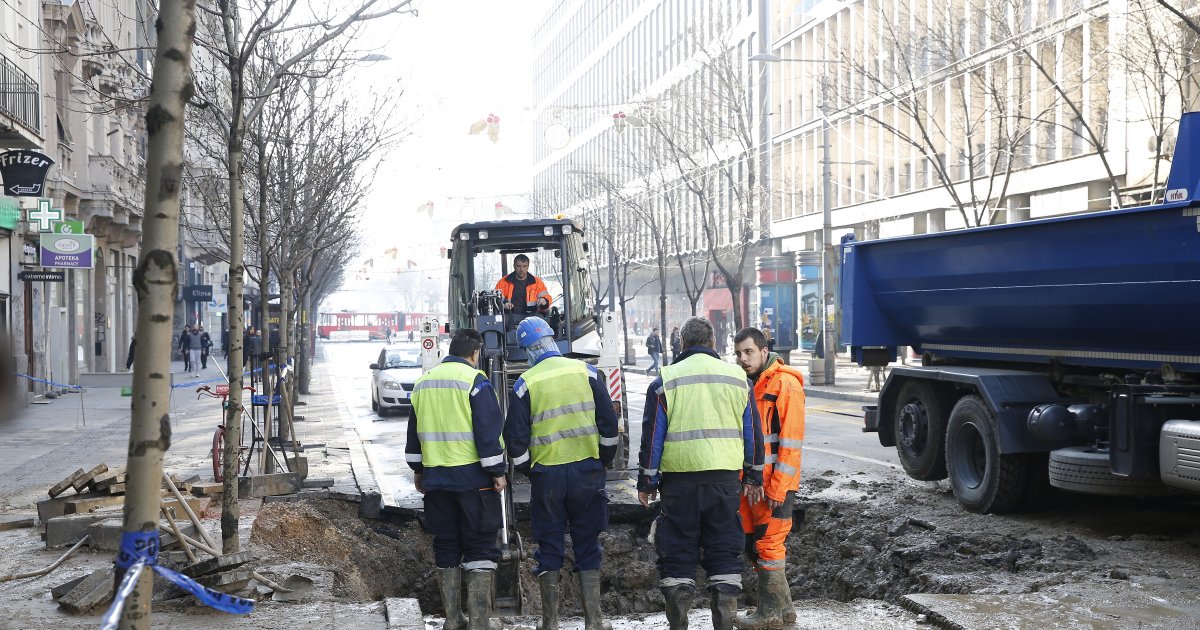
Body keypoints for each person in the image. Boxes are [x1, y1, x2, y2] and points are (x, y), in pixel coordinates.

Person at [638, 316, 764, 630]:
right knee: (723, 548)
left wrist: (647, 481)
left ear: (683, 344)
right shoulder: (737, 379)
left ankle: (679, 623)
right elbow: (752, 434)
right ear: (711, 343)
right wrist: (753, 476)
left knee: (678, 549)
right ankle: (723, 620)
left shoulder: (665, 381)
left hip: (679, 485)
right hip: (724, 483)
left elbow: (653, 437)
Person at [504, 316, 619, 630]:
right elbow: (610, 426)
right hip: (587, 472)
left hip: (548, 477)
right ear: (554, 339)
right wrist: (603, 459)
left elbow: (515, 441)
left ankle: (550, 623)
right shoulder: (588, 372)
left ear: (527, 349)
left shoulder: (525, 383)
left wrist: (532, 470)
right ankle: (594, 622)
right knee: (587, 542)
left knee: (550, 545)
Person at [406, 328, 507, 630]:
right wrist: (498, 471)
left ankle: (453, 620)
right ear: (475, 353)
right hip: (474, 479)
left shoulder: (423, 383)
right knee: (480, 545)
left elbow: (414, 435)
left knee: (446, 544)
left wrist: (418, 470)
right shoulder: (476, 382)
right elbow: (488, 432)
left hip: (436, 480)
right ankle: (479, 621)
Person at [732, 327, 805, 629]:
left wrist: (777, 488)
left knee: (769, 545)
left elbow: (790, 444)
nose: (743, 359)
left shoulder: (784, 385)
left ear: (764, 351)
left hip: (773, 487)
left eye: (748, 352)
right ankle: (783, 610)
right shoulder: (750, 384)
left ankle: (770, 615)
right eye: (738, 353)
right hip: (753, 486)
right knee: (756, 545)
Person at [496, 254, 552, 326]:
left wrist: (544, 301)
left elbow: (547, 298)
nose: (521, 269)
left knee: (541, 321)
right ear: (514, 266)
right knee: (499, 322)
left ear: (528, 267)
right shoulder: (503, 282)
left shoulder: (537, 282)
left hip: (532, 315)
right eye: (518, 266)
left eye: (524, 266)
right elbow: (497, 299)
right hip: (510, 315)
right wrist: (504, 303)